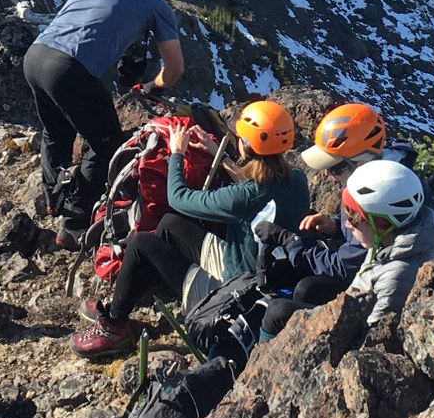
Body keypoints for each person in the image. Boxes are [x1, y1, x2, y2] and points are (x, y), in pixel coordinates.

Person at [73, 99, 308, 358]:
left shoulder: (244, 196)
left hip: (234, 284)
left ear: (247, 144)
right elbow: (257, 187)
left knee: (142, 243)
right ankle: (134, 288)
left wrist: (176, 154)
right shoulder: (297, 179)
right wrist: (217, 153)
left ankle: (115, 326)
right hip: (261, 267)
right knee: (169, 224)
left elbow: (179, 198)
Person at [23, 0, 184, 244]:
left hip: (36, 56)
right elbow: (175, 68)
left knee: (55, 132)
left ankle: (52, 199)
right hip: (69, 69)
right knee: (106, 142)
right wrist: (154, 85)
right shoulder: (156, 4)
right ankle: (74, 226)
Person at [258, 159, 434, 338]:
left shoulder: (395, 277)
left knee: (278, 311)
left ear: (379, 224)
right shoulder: (390, 241)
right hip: (354, 309)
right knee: (308, 289)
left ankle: (262, 362)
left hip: (353, 334)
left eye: (354, 220)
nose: (350, 227)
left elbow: (370, 336)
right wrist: (335, 227)